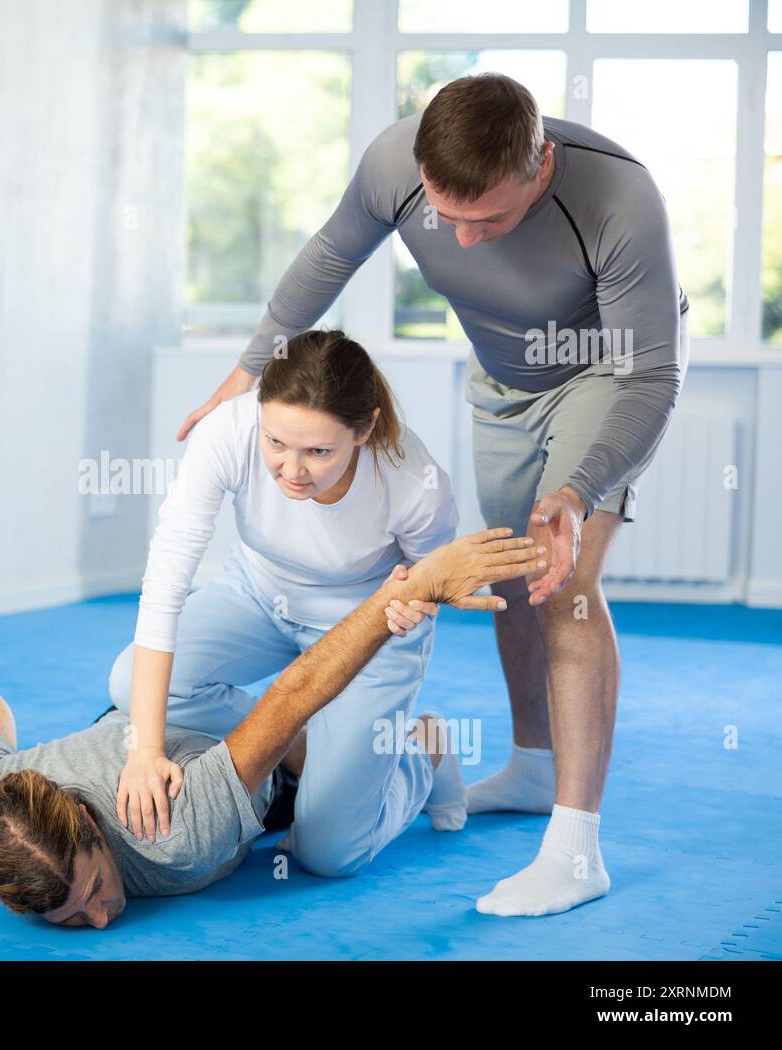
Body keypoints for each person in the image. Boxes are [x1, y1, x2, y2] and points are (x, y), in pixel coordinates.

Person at [177, 73, 691, 917]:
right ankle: (531, 766)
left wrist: (578, 490)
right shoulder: (394, 160)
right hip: (501, 378)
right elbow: (332, 255)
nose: (465, 240)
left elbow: (650, 374)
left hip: (607, 378)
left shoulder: (619, 198)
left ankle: (576, 847)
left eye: (488, 218)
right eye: (446, 220)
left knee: (562, 582)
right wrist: (245, 371)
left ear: (542, 166)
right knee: (511, 572)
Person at [0, 527, 547, 928]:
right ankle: (352, 749)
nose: (100, 918)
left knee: (329, 854)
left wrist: (410, 590)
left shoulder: (173, 830)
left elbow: (290, 699)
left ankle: (424, 748)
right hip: (171, 743)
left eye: (95, 887)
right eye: (72, 917)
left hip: (251, 761)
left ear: (90, 827)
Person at [107, 329, 462, 879]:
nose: (292, 471)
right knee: (129, 680)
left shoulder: (416, 482)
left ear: (364, 429)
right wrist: (144, 752)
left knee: (328, 854)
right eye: (276, 444)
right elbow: (164, 586)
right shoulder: (227, 430)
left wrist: (419, 601)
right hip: (258, 594)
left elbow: (427, 588)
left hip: (367, 627)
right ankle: (302, 742)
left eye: (318, 451)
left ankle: (424, 749)